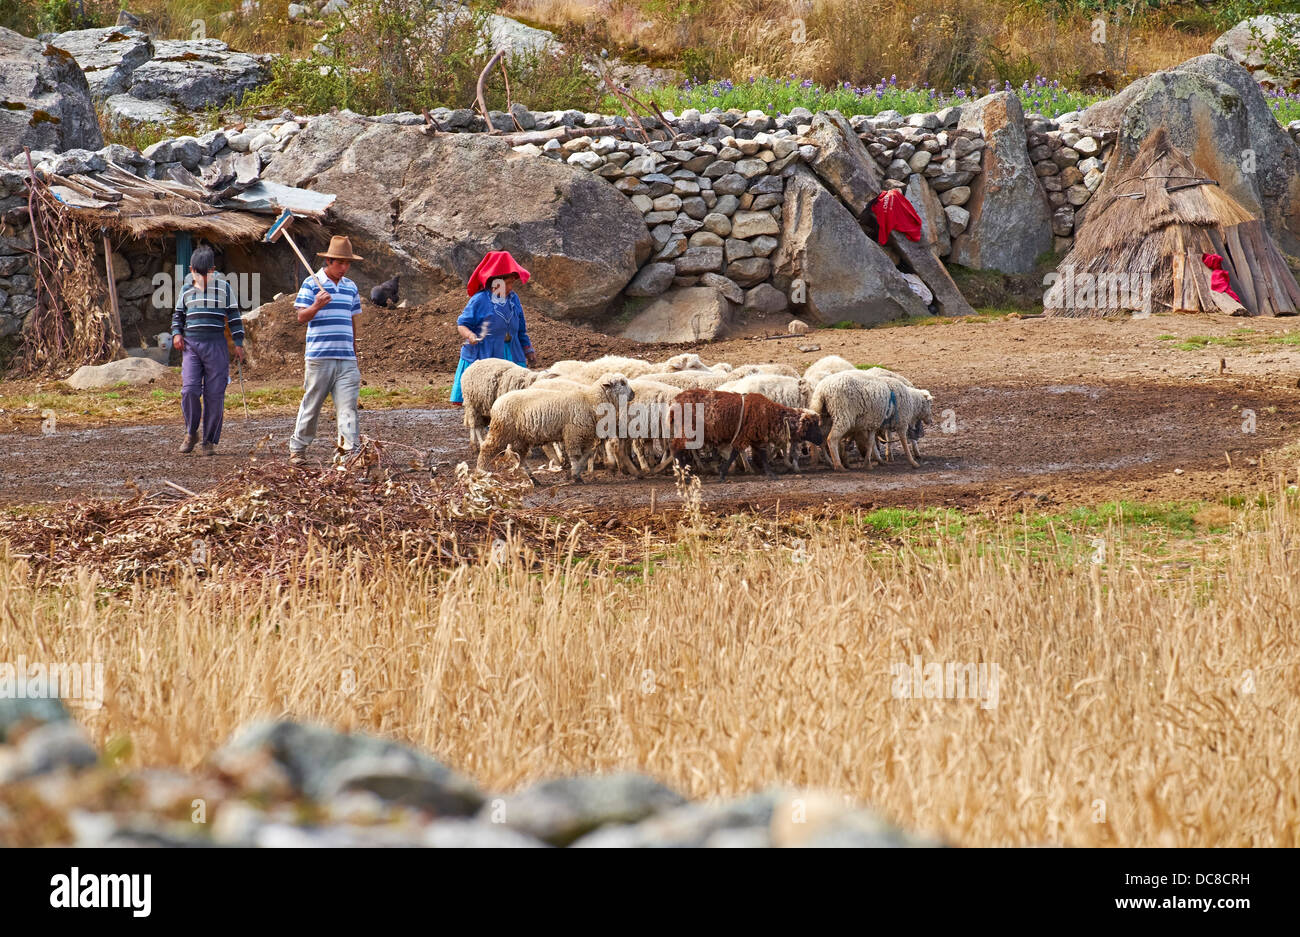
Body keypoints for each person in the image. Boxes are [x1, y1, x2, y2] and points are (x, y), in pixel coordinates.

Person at [287, 235, 365, 465]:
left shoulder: (351, 287)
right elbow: (301, 317)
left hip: (346, 359)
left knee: (348, 407)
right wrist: (317, 305)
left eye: (347, 263)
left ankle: (349, 452)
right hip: (319, 358)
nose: (344, 267)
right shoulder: (311, 284)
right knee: (312, 405)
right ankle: (298, 449)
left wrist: (354, 351)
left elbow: (352, 321)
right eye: (340, 263)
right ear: (328, 261)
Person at [172, 245, 244, 456]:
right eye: (198, 273)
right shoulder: (185, 290)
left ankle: (209, 440)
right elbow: (178, 315)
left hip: (216, 345)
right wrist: (177, 333)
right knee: (190, 390)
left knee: (215, 394)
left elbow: (234, 317)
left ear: (213, 270)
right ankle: (191, 432)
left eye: (207, 273)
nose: (203, 277)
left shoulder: (224, 289)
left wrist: (238, 343)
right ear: (191, 269)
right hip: (191, 346)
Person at [449, 251, 537, 407]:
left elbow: (521, 329)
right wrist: (470, 336)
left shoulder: (513, 299)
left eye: (512, 283)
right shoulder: (479, 300)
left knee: (513, 400)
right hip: (486, 354)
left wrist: (528, 350)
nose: (510, 287)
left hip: (511, 353)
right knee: (488, 397)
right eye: (507, 283)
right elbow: (462, 324)